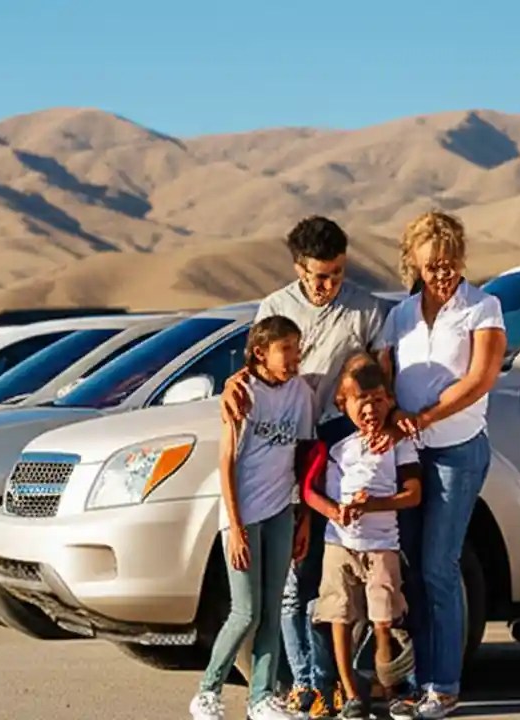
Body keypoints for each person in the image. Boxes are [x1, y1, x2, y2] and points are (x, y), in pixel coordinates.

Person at [221, 215, 391, 718]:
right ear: (299, 268)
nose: (329, 285)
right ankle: (304, 684)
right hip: (282, 451)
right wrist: (232, 383)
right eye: (319, 276)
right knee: (294, 581)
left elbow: (381, 375)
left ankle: (339, 679)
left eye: (337, 273)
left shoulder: (365, 309)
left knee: (335, 576)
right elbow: (254, 368)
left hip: (338, 446)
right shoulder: (275, 307)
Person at [373, 211, 506, 720]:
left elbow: (480, 378)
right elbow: (385, 375)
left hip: (456, 449)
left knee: (439, 566)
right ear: (415, 264)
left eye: (449, 265)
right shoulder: (400, 316)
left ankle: (443, 686)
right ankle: (416, 680)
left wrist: (423, 417)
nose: (442, 275)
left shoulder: (483, 308)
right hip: (407, 454)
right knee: (411, 571)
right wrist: (388, 417)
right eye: (432, 267)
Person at [191, 315, 315, 720]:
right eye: (286, 350)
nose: (294, 359)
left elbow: (303, 458)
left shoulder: (300, 393)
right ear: (261, 352)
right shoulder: (243, 391)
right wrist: (236, 527)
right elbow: (226, 460)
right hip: (242, 514)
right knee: (245, 611)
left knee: (273, 608)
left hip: (281, 510)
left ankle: (262, 697)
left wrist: (304, 519)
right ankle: (208, 691)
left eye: (297, 350)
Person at [302, 354, 422, 720]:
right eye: (361, 401)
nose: (370, 408)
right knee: (339, 615)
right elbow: (314, 491)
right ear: (344, 405)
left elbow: (413, 494)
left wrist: (374, 505)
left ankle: (392, 690)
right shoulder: (340, 449)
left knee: (384, 619)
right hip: (340, 545)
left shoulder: (399, 444)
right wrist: (334, 512)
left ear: (389, 401)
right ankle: (352, 693)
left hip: (382, 545)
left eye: (377, 400)